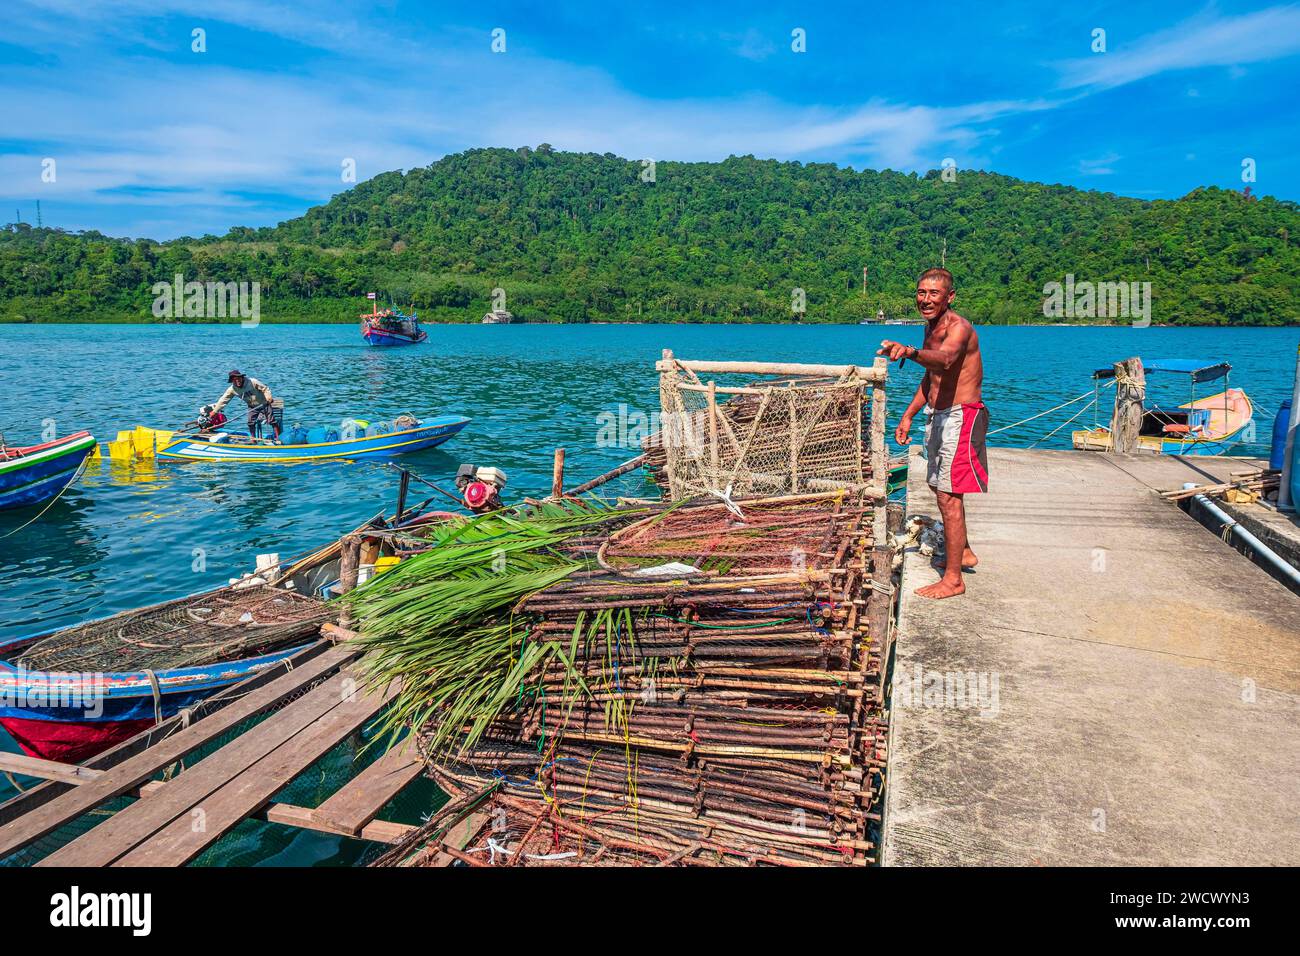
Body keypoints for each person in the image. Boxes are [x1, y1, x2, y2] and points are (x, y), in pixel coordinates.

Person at [877, 268, 988, 600]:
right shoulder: (930, 328)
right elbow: (931, 378)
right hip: (937, 415)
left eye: (933, 294)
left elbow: (945, 360)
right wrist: (908, 415)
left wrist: (910, 352)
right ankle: (963, 552)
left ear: (949, 297)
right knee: (939, 487)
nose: (925, 299)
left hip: (961, 416)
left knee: (948, 496)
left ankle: (953, 579)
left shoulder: (959, 328)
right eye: (921, 292)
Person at [210, 370, 280, 441]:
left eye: (238, 378)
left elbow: (265, 389)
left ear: (242, 377)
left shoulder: (252, 382)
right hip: (252, 407)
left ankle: (278, 438)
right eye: (234, 380)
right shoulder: (232, 389)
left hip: (264, 404)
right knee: (250, 423)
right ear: (232, 381)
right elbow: (223, 400)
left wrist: (269, 397)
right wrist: (215, 411)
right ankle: (253, 439)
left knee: (272, 421)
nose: (237, 381)